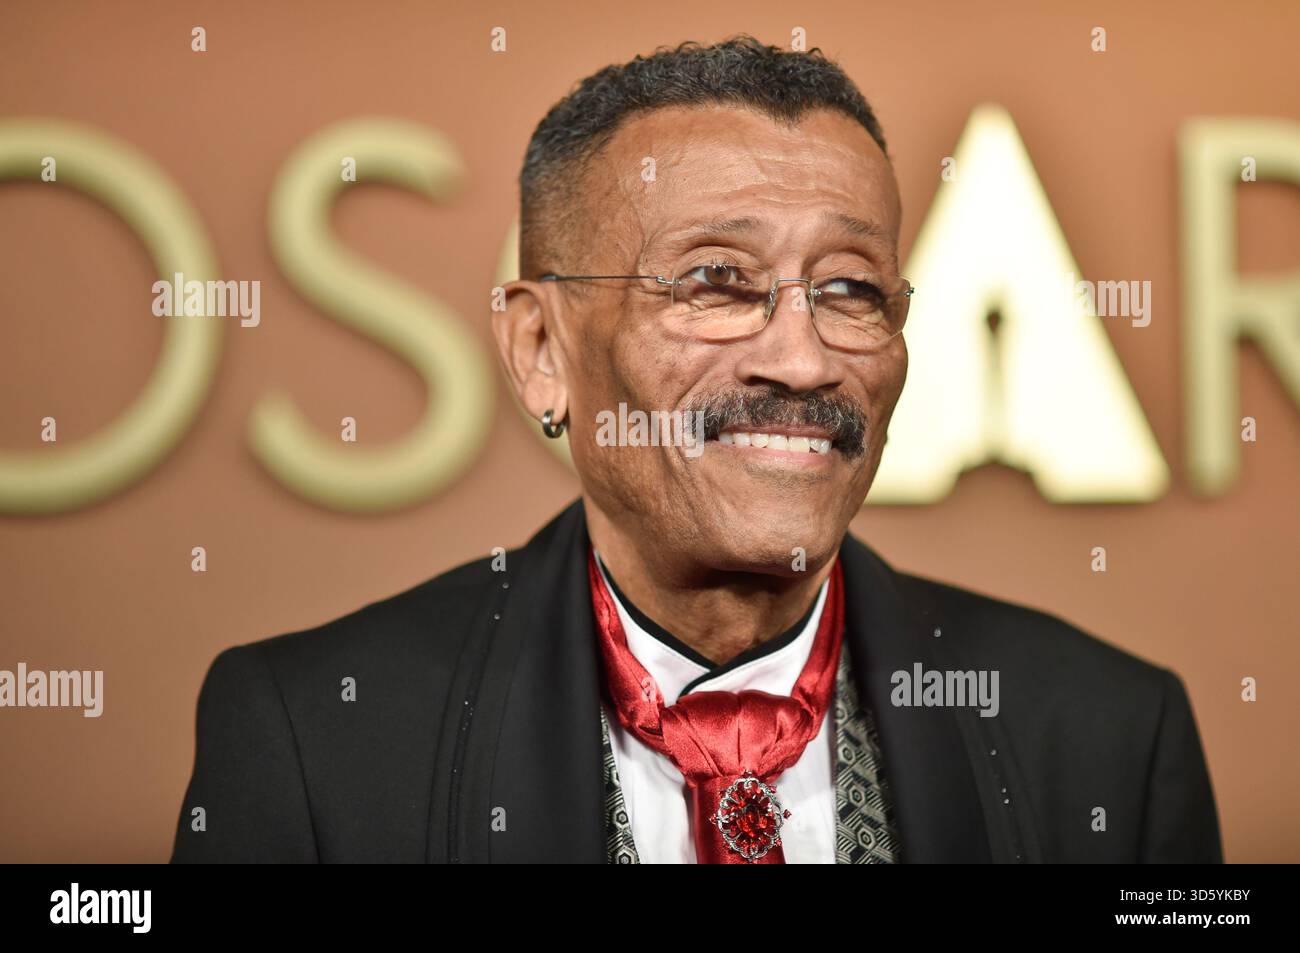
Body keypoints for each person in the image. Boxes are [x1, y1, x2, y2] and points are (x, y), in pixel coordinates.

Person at [171, 36, 1221, 864]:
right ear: (541, 349)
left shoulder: (1106, 734)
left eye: (851, 289)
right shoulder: (318, 737)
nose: (803, 361)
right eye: (717, 283)